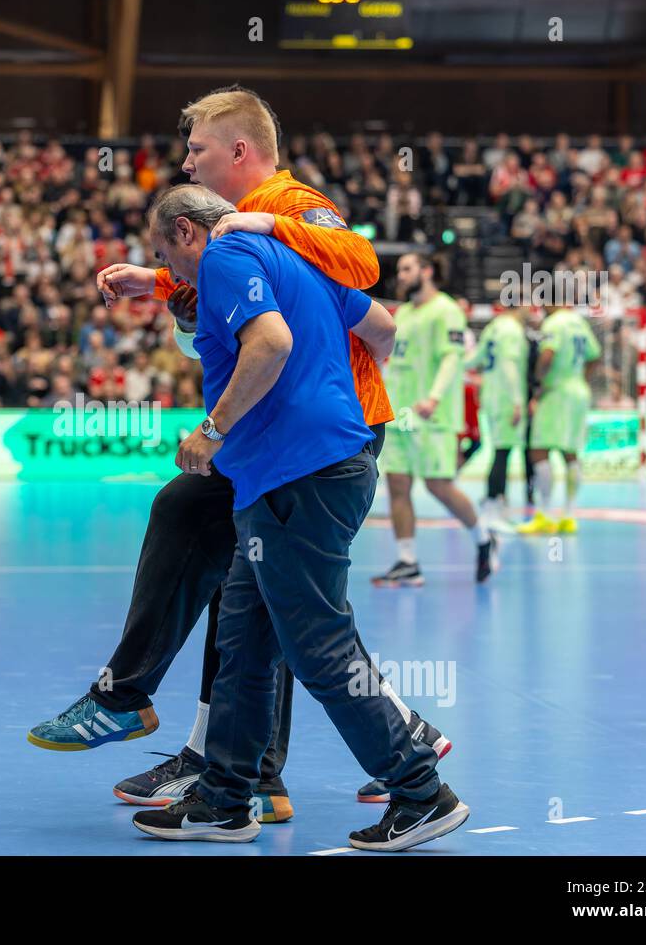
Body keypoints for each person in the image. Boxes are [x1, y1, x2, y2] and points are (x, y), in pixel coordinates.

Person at [28, 86, 446, 818]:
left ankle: (146, 710)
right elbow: (334, 307)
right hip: (299, 432)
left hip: (312, 435)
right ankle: (240, 776)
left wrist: (218, 424)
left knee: (214, 537)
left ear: (240, 154)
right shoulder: (242, 242)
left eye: (197, 150)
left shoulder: (290, 205)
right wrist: (159, 280)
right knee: (252, 596)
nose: (186, 159)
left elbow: (361, 264)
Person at [129, 185, 469, 850]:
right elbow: (383, 329)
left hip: (298, 473)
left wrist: (213, 429)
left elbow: (272, 342)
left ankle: (420, 790)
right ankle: (224, 801)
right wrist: (329, 390)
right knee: (245, 641)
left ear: (184, 231)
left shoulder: (227, 255)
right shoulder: (294, 257)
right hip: (309, 466)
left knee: (317, 644)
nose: (175, 272)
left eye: (166, 252)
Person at [371, 253, 499, 587]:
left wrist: (434, 397)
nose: (400, 275)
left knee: (438, 486)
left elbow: (452, 358)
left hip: (433, 415)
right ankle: (407, 561)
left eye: (407, 268)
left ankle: (483, 537)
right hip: (399, 414)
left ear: (427, 271)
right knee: (398, 484)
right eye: (399, 270)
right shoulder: (404, 313)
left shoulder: (446, 310)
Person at [515, 300, 601, 535]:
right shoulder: (579, 322)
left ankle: (543, 513)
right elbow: (595, 355)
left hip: (556, 393)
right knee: (570, 452)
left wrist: (538, 386)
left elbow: (547, 356)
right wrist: (579, 376)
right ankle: (570, 515)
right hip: (579, 391)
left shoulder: (553, 324)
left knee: (539, 450)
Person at [465, 304, 529, 529]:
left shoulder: (494, 327)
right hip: (506, 398)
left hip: (490, 396)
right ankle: (493, 510)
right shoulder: (512, 330)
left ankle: (494, 506)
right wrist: (517, 402)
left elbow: (474, 360)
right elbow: (509, 366)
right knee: (503, 452)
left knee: (500, 451)